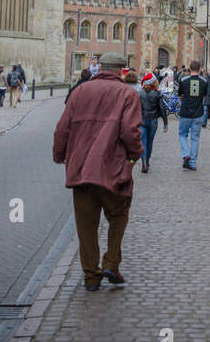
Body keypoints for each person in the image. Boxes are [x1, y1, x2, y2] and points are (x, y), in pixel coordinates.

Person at [52, 52, 142, 289]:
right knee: (118, 213)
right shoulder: (127, 94)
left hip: (81, 169)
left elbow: (62, 128)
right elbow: (131, 132)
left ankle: (91, 276)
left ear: (100, 67)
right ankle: (111, 262)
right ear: (121, 71)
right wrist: (134, 156)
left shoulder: (80, 91)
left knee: (86, 225)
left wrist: (60, 155)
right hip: (112, 168)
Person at [176, 60, 209, 170]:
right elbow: (204, 95)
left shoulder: (183, 80)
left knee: (182, 135)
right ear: (200, 69)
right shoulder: (204, 81)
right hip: (198, 113)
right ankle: (193, 163)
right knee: (195, 138)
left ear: (189, 69)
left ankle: (186, 154)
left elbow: (179, 93)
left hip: (185, 113)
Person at [138, 74, 169, 173]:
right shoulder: (157, 94)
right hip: (153, 121)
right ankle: (147, 160)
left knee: (143, 142)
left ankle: (143, 162)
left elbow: (136, 109)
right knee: (149, 142)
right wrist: (165, 123)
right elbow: (162, 109)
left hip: (142, 120)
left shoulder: (140, 93)